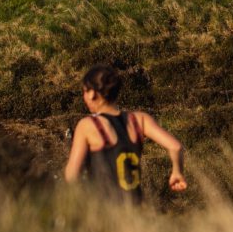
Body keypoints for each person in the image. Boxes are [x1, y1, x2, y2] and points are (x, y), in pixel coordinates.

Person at [64, 63, 187, 201]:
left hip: (106, 210)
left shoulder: (87, 125)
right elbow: (175, 146)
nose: (84, 97)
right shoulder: (140, 119)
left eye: (85, 91)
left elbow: (72, 175)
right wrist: (177, 172)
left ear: (92, 93)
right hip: (136, 208)